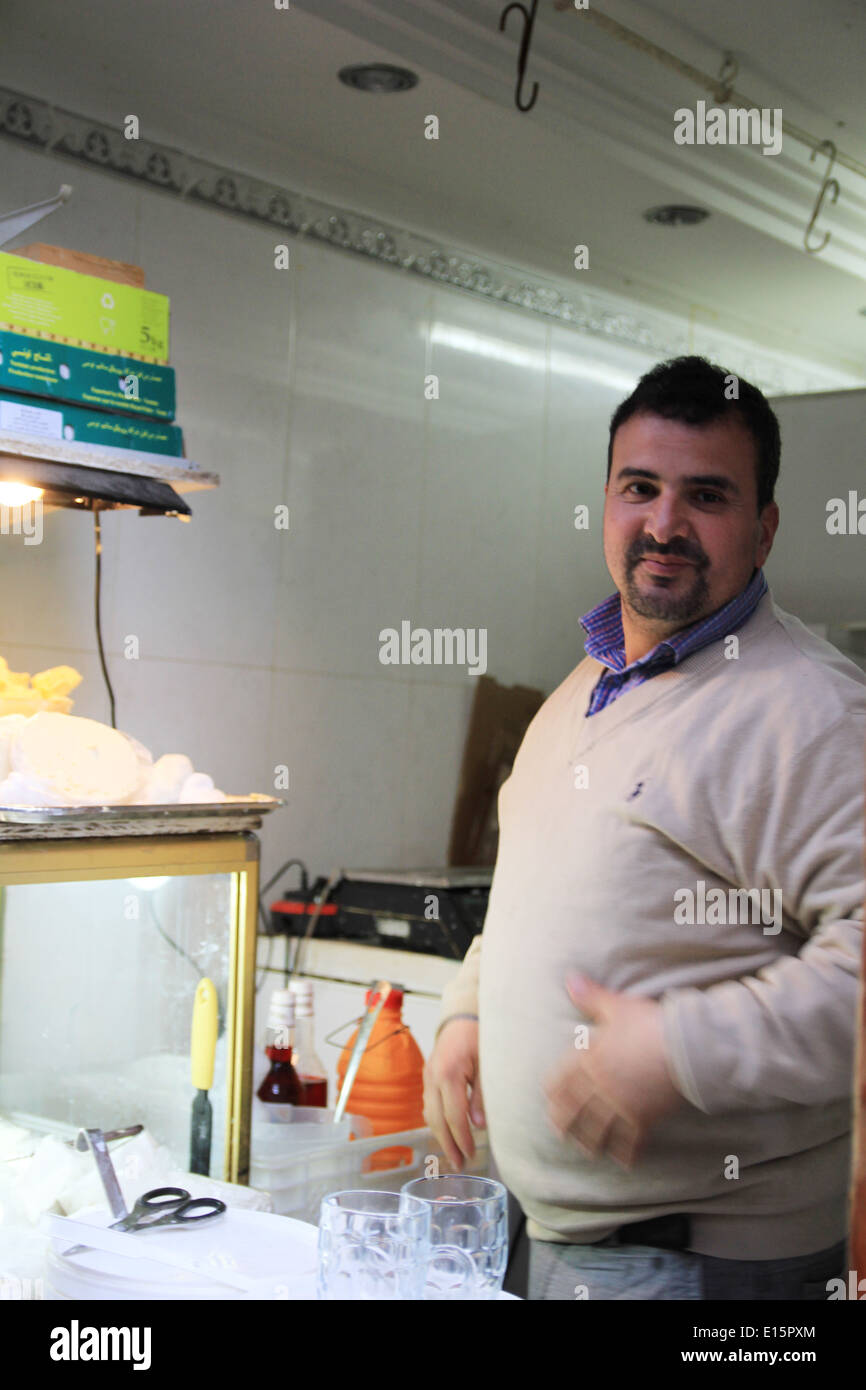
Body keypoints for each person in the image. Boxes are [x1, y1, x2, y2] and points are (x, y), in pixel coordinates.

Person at [424, 355, 866, 1300]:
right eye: (641, 488)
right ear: (608, 505)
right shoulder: (583, 689)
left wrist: (679, 1048)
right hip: (565, 1237)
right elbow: (543, 893)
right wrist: (472, 1010)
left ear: (765, 527)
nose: (665, 524)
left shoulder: (810, 709)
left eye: (706, 495)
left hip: (704, 1260)